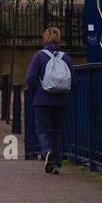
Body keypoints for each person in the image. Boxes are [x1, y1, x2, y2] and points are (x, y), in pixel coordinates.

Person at [25, 25, 75, 174]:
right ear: (59, 39)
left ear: (45, 38)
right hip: (61, 100)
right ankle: (57, 164)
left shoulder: (39, 56)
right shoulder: (65, 57)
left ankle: (47, 151)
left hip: (42, 99)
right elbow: (74, 81)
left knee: (42, 128)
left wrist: (35, 93)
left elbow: (30, 78)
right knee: (57, 131)